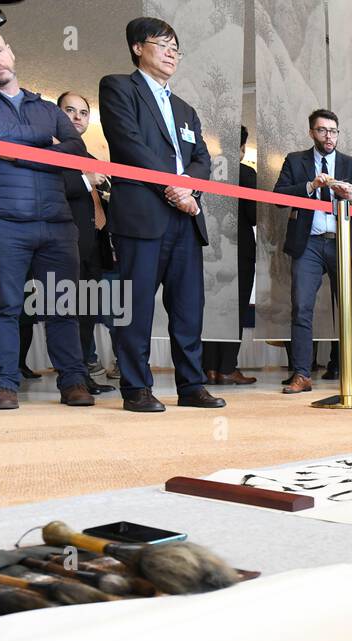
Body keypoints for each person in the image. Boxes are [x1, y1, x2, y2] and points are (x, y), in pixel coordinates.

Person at [0, 22, 94, 411]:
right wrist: (43, 144)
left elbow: (77, 148)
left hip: (56, 222)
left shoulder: (46, 107)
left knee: (63, 305)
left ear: (10, 50)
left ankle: (74, 381)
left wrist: (13, 148)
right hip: (0, 222)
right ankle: (5, 385)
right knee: (4, 306)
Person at [98, 17, 224, 412]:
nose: (172, 53)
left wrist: (190, 190)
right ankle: (136, 387)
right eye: (163, 44)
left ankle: (191, 385)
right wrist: (173, 187)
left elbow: (202, 157)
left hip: (186, 218)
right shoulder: (119, 87)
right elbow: (129, 143)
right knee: (136, 306)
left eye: (176, 48)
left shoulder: (185, 109)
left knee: (188, 307)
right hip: (143, 214)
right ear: (138, 47)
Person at [273, 109, 352, 395]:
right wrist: (309, 186)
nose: (329, 136)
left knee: (349, 310)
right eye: (322, 130)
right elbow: (278, 198)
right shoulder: (296, 161)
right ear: (311, 133)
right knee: (302, 308)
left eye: (333, 131)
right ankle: (302, 373)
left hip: (343, 241)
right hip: (309, 244)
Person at [56, 92, 116, 395]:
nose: (77, 118)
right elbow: (53, 189)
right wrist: (86, 181)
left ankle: (84, 375)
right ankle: (72, 377)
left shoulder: (89, 158)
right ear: (56, 115)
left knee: (87, 314)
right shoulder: (46, 151)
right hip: (65, 244)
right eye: (70, 111)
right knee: (68, 313)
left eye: (83, 112)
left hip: (94, 244)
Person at [203, 125, 257, 387]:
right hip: (240, 248)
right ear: (242, 149)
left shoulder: (207, 170)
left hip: (210, 250)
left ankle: (208, 369)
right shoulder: (246, 173)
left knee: (211, 308)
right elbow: (254, 215)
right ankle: (226, 368)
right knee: (233, 309)